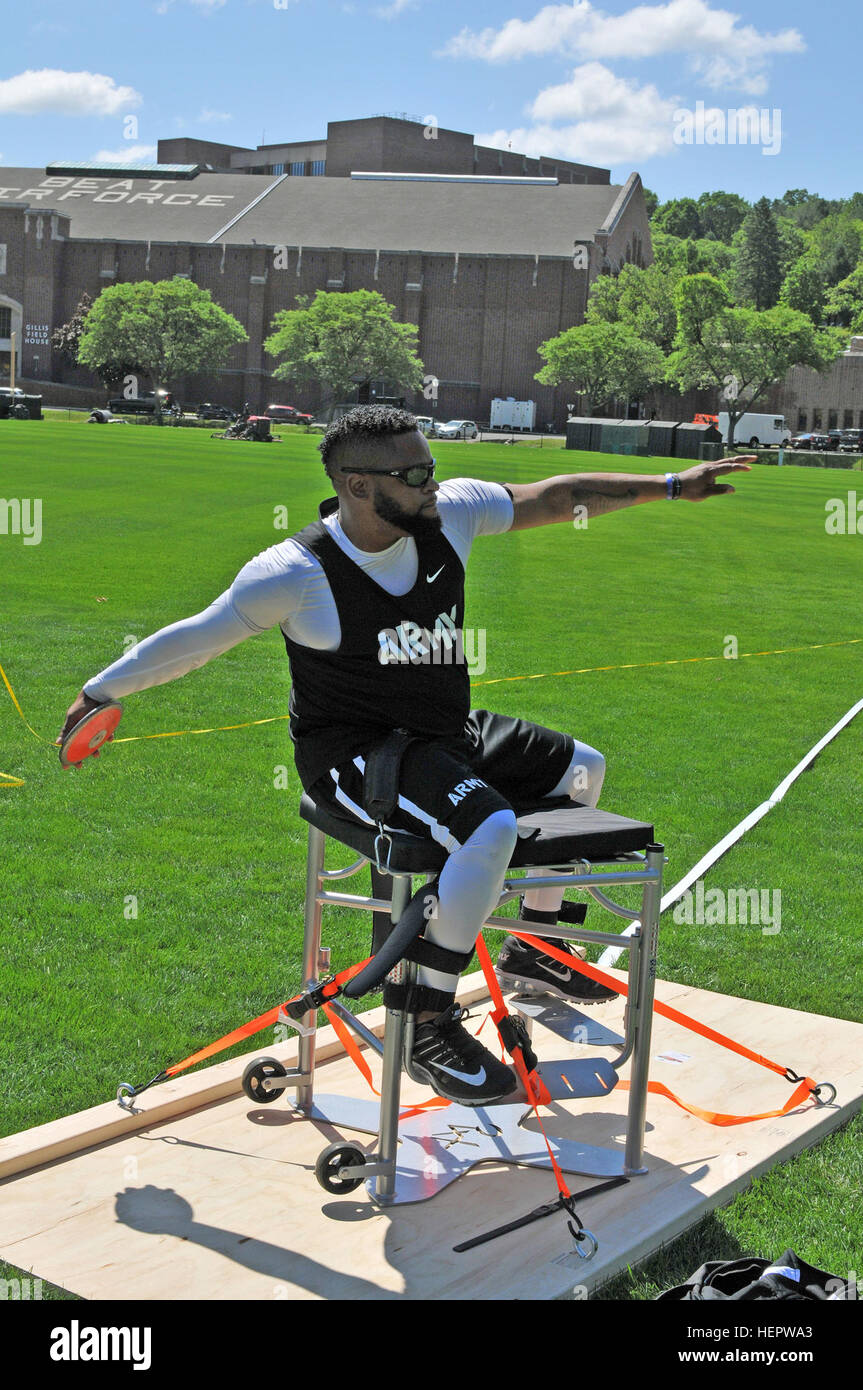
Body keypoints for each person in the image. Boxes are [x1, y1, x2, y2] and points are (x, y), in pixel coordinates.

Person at [59, 406, 752, 1106]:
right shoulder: (294, 573)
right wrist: (99, 691)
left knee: (582, 768)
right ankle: (426, 1019)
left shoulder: (447, 516)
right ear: (358, 486)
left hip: (443, 733)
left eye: (430, 469)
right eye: (413, 474)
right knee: (490, 826)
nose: (431, 485)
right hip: (355, 759)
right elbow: (196, 638)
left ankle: (537, 951)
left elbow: (553, 496)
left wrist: (671, 484)